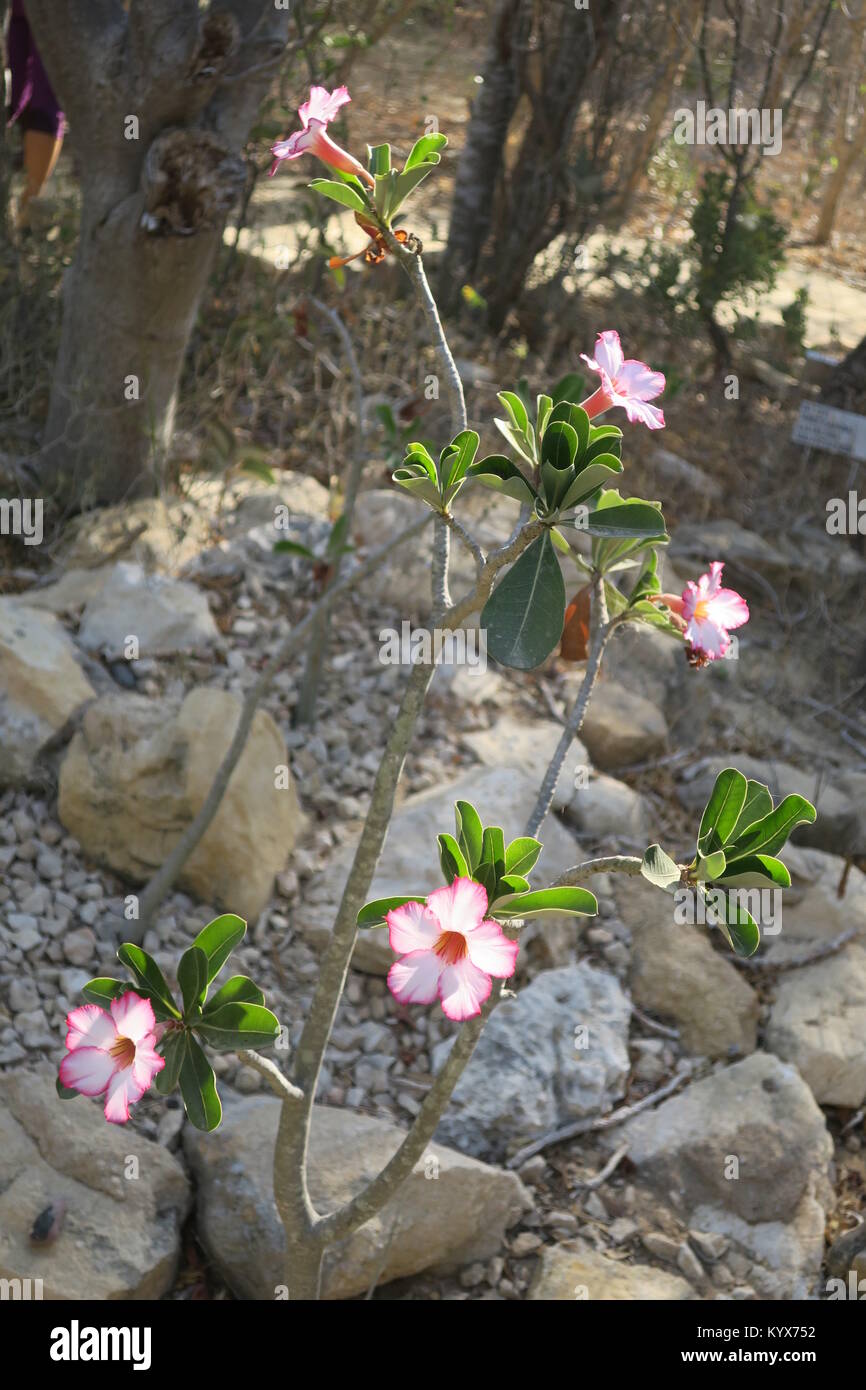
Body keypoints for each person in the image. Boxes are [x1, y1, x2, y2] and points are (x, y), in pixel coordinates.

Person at [5, 0, 65, 229]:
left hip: (61, 12)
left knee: (45, 100)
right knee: (12, 96)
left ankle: (28, 208)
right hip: (18, 8)